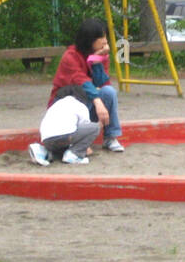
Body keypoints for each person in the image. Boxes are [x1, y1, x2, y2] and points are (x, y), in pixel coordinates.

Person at [49, 18, 124, 152]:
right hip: (67, 106)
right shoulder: (70, 56)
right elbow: (81, 82)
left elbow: (103, 83)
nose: (105, 41)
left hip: (86, 102)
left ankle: (110, 137)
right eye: (101, 37)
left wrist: (96, 61)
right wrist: (97, 101)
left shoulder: (101, 56)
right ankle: (77, 141)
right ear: (89, 39)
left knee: (109, 91)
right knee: (88, 94)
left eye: (105, 36)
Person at [28, 85, 99, 166]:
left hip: (46, 140)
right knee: (94, 127)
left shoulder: (55, 105)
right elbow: (85, 125)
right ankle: (75, 154)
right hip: (65, 137)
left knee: (60, 149)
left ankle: (43, 151)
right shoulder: (79, 105)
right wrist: (84, 147)